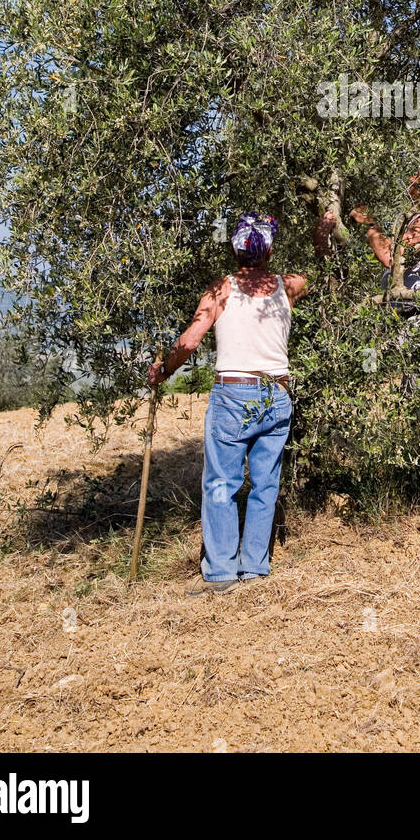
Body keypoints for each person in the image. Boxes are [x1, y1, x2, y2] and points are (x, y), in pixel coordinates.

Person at [148, 211, 307, 595]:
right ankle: (254, 567)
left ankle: (220, 571)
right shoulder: (289, 286)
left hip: (233, 395)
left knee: (222, 482)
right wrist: (325, 229)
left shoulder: (221, 290)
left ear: (235, 249)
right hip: (277, 393)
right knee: (265, 484)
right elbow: (321, 266)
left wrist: (162, 369)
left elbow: (189, 341)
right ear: (269, 249)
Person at [349, 163, 420, 442]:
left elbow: (392, 257)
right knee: (419, 392)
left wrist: (370, 224)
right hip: (417, 315)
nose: (410, 180)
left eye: (417, 176)